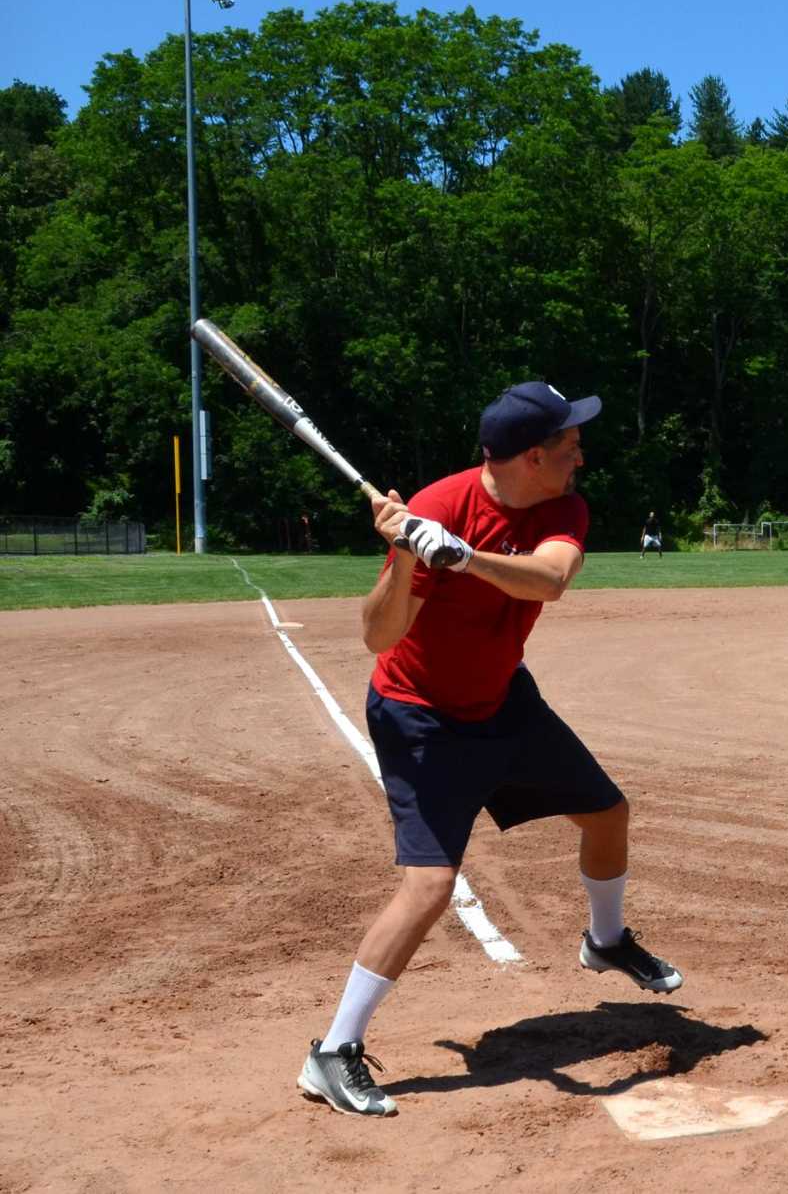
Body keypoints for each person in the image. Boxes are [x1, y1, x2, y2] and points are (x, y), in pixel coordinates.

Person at [298, 381, 681, 1119]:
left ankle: (605, 941)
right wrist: (406, 555)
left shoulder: (560, 504)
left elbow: (552, 577)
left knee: (606, 812)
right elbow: (378, 637)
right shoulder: (438, 508)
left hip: (505, 702)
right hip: (423, 720)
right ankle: (332, 1051)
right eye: (570, 445)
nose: (581, 454)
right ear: (533, 454)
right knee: (430, 885)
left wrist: (465, 559)